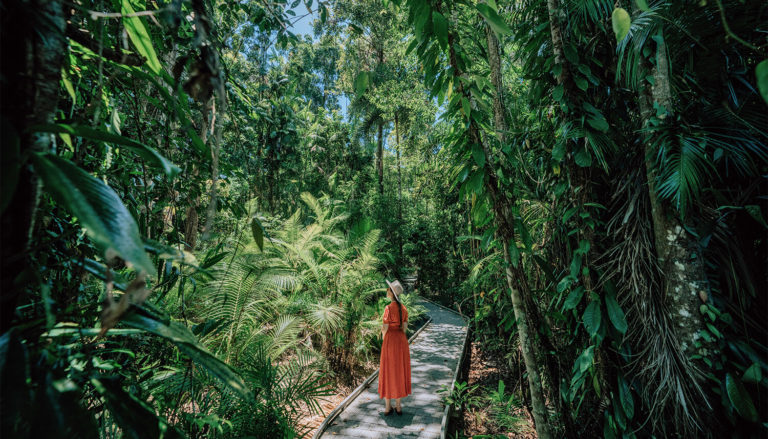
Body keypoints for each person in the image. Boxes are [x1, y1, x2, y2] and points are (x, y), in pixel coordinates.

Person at [378, 279, 411, 415]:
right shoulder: (403, 308)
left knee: (387, 370)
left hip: (390, 340)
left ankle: (387, 407)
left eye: (388, 289)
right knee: (399, 370)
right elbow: (404, 328)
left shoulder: (388, 308)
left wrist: (385, 337)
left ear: (391, 293)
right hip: (401, 341)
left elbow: (385, 327)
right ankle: (398, 406)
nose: (387, 290)